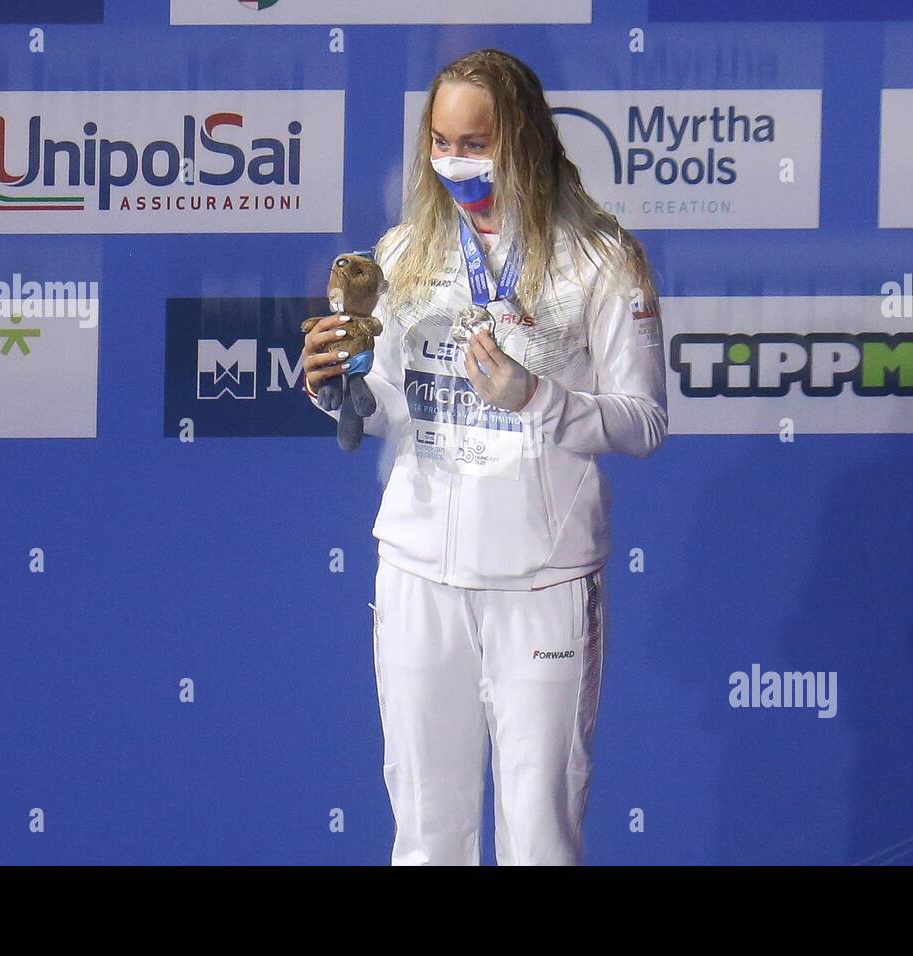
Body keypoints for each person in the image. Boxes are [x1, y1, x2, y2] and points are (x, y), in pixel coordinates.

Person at [300, 48, 668, 866]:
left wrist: (536, 398)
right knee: (426, 835)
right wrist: (336, 387)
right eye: (441, 142)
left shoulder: (602, 259)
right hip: (418, 570)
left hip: (543, 579)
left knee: (540, 838)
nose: (455, 161)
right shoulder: (407, 251)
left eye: (476, 143)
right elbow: (393, 404)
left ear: (524, 139)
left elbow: (644, 422)